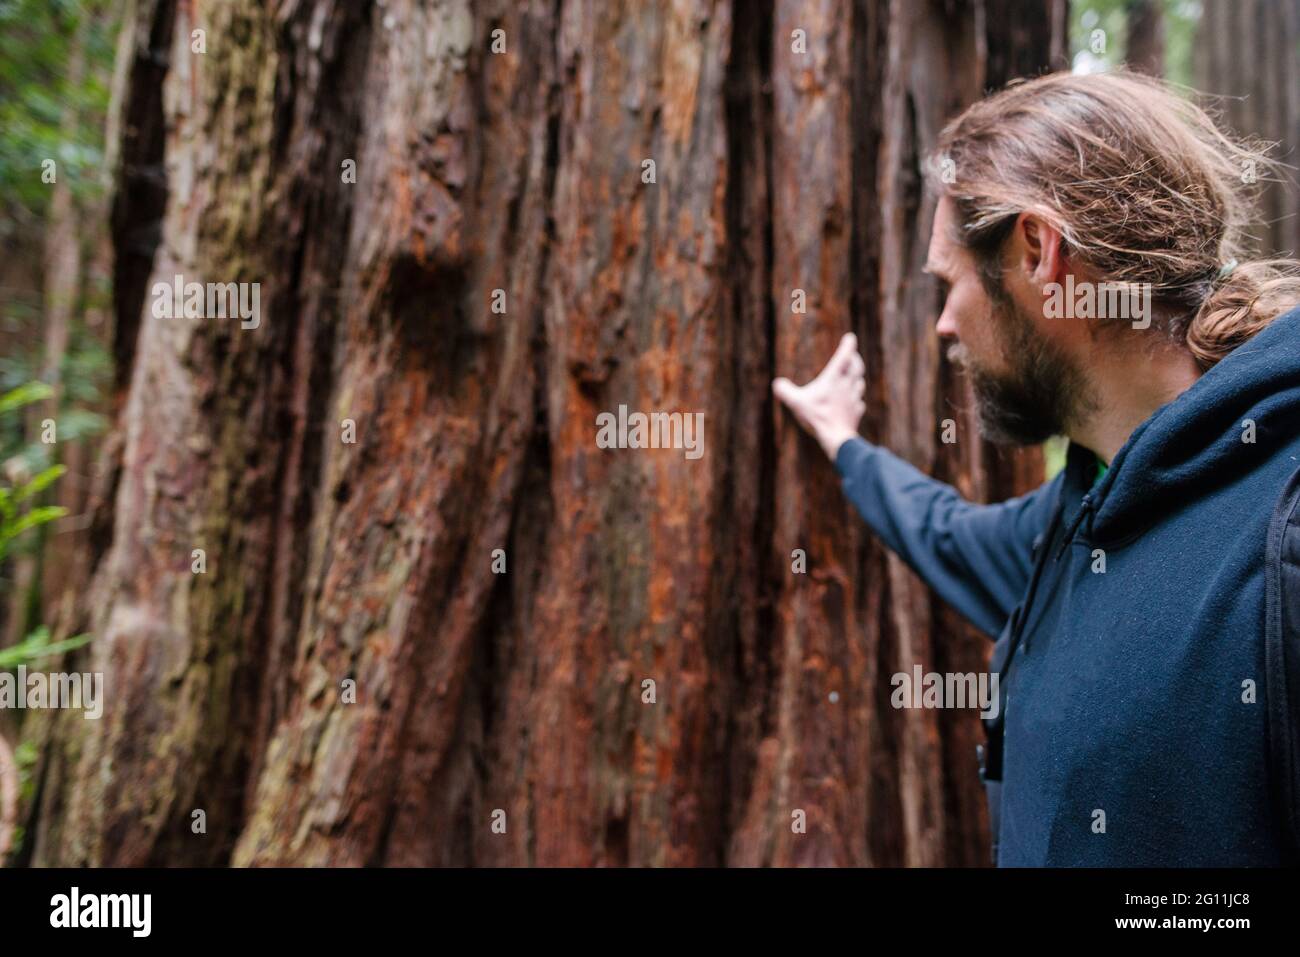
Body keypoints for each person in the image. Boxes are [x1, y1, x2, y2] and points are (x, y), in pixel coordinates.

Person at [773, 70, 1300, 866]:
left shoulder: (1282, 526)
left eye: (949, 284)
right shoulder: (1082, 512)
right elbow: (948, 534)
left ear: (1037, 250)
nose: (945, 325)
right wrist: (845, 443)